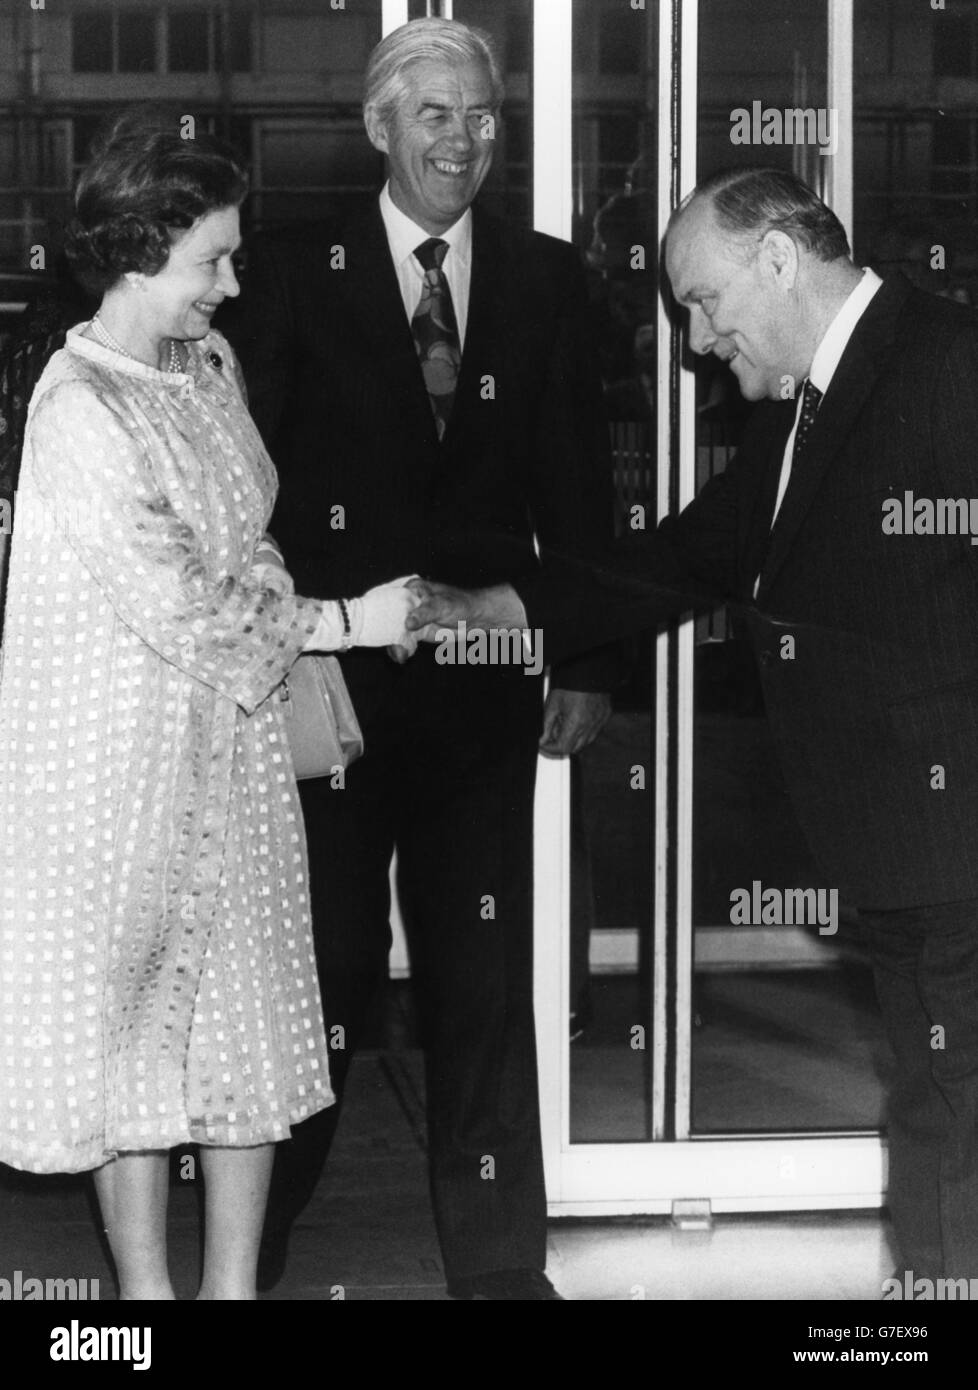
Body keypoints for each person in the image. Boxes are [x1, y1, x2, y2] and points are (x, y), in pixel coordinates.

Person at [411, 165, 978, 1286]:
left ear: (779, 258)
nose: (696, 340)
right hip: (896, 848)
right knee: (932, 1099)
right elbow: (676, 561)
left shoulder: (949, 363)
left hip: (958, 834)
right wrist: (502, 607)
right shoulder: (802, 410)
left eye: (705, 302)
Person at [223, 18, 616, 1301]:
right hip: (326, 698)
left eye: (484, 117)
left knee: (482, 983)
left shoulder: (548, 282)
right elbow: (248, 491)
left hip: (483, 702)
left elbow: (580, 490)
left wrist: (587, 658)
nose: (464, 139)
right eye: (436, 115)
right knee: (322, 982)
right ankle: (247, 1258)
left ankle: (501, 1270)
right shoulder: (288, 272)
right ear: (380, 126)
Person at [0, 108, 418, 1301]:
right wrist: (352, 622)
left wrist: (290, 586)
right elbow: (181, 599)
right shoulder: (77, 407)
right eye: (210, 263)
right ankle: (142, 1300)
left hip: (234, 758)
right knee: (129, 1049)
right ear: (138, 252)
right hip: (115, 775)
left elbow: (255, 531)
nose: (231, 287)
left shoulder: (213, 367)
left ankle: (232, 1293)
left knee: (252, 1032)